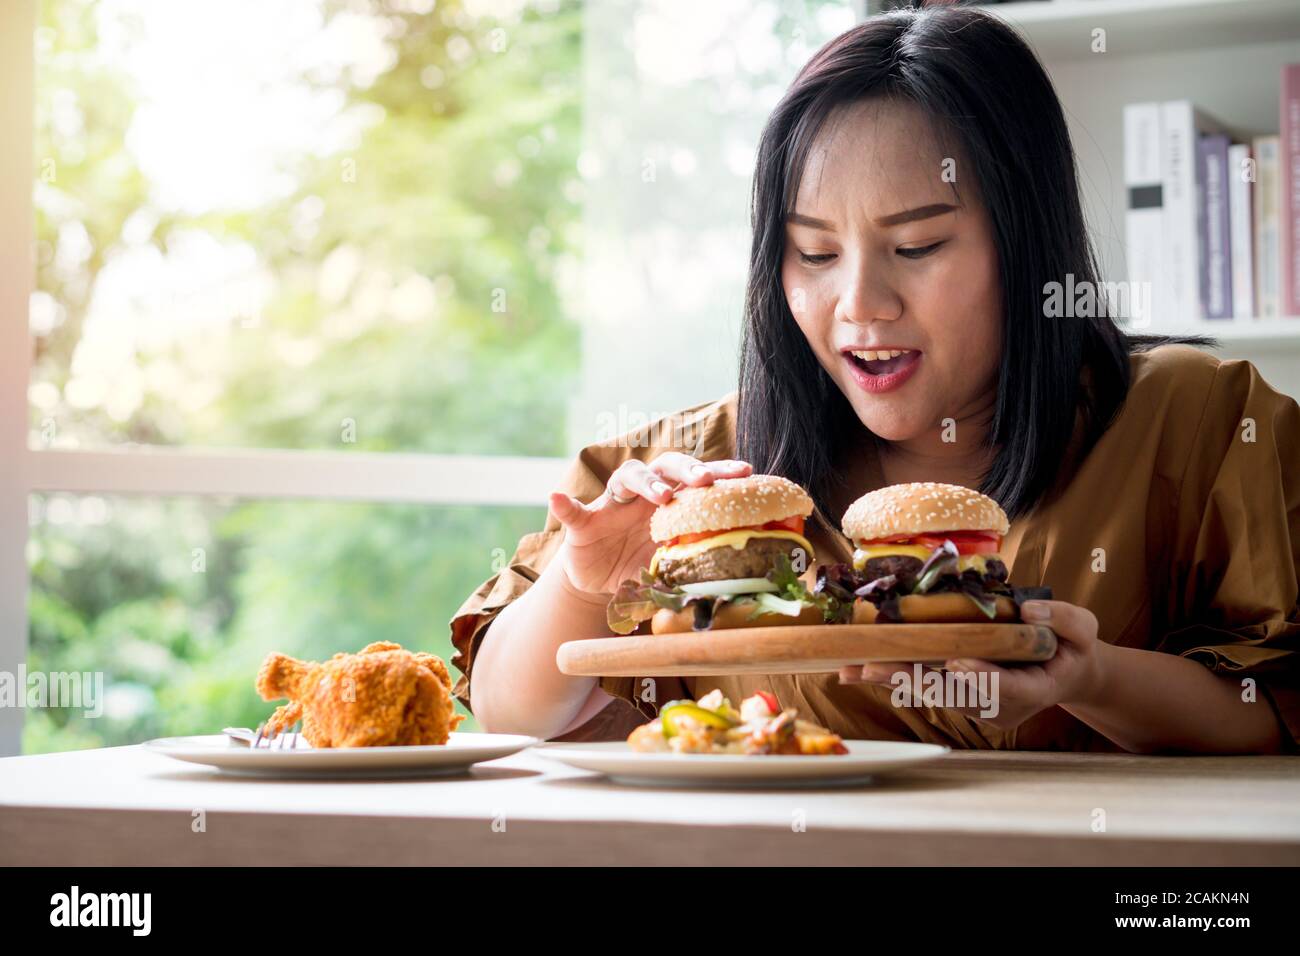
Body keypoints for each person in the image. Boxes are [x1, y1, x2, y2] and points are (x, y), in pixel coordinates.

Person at [451, 6, 1299, 754]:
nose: (859, 304)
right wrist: (582, 582)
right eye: (814, 253)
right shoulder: (699, 473)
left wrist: (1089, 677)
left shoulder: (1198, 420)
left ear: (1025, 241)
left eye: (918, 247)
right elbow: (508, 710)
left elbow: (1278, 706)